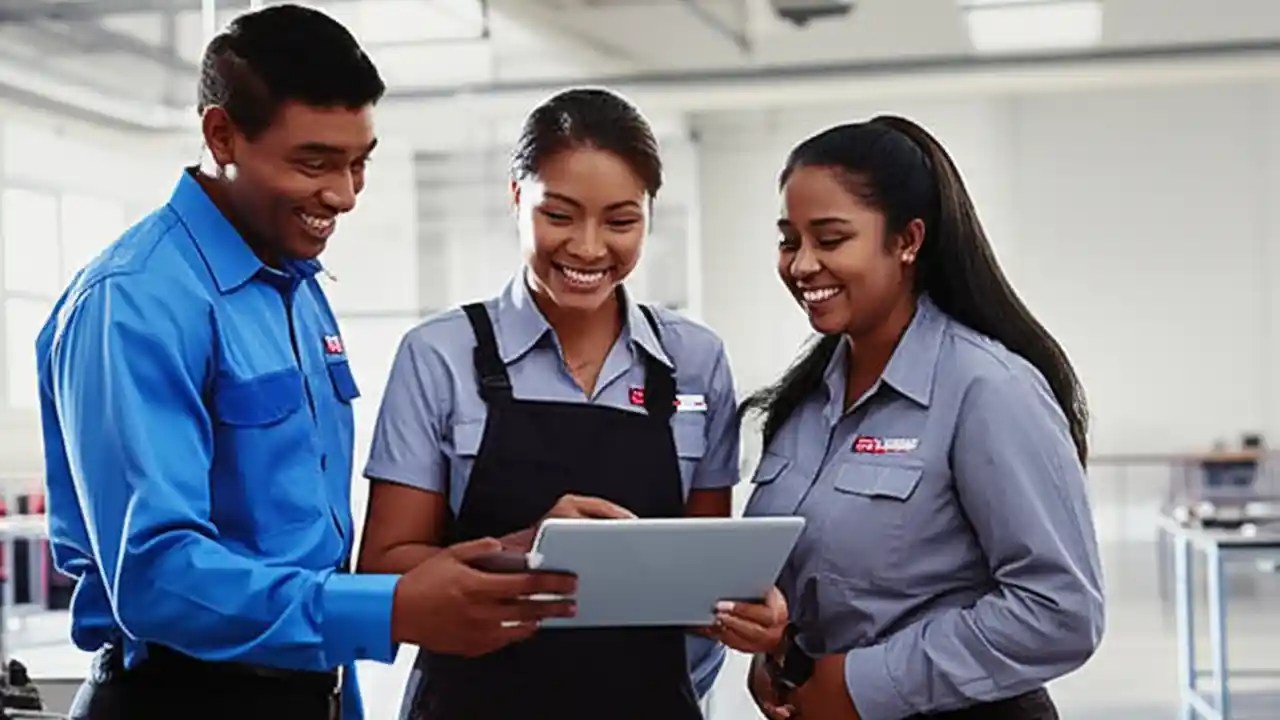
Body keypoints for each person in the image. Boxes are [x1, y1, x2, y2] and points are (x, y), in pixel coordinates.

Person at [36, 6, 574, 720]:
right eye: (314, 162)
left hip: (312, 692)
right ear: (221, 134)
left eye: (359, 163)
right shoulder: (134, 302)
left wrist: (487, 560)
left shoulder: (293, 283)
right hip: (179, 700)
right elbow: (156, 578)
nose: (344, 195)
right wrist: (387, 609)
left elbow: (302, 558)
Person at [358, 87, 783, 720]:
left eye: (620, 220)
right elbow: (383, 574)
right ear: (515, 197)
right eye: (558, 215)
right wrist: (530, 548)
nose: (588, 248)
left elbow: (701, 582)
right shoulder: (439, 356)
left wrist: (749, 614)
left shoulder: (695, 361)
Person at [737, 116, 1105, 720]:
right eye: (788, 240)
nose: (802, 265)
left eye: (830, 240)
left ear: (907, 241)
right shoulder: (804, 402)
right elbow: (818, 584)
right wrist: (777, 652)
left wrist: (865, 683)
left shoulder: (987, 389)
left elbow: (1062, 612)